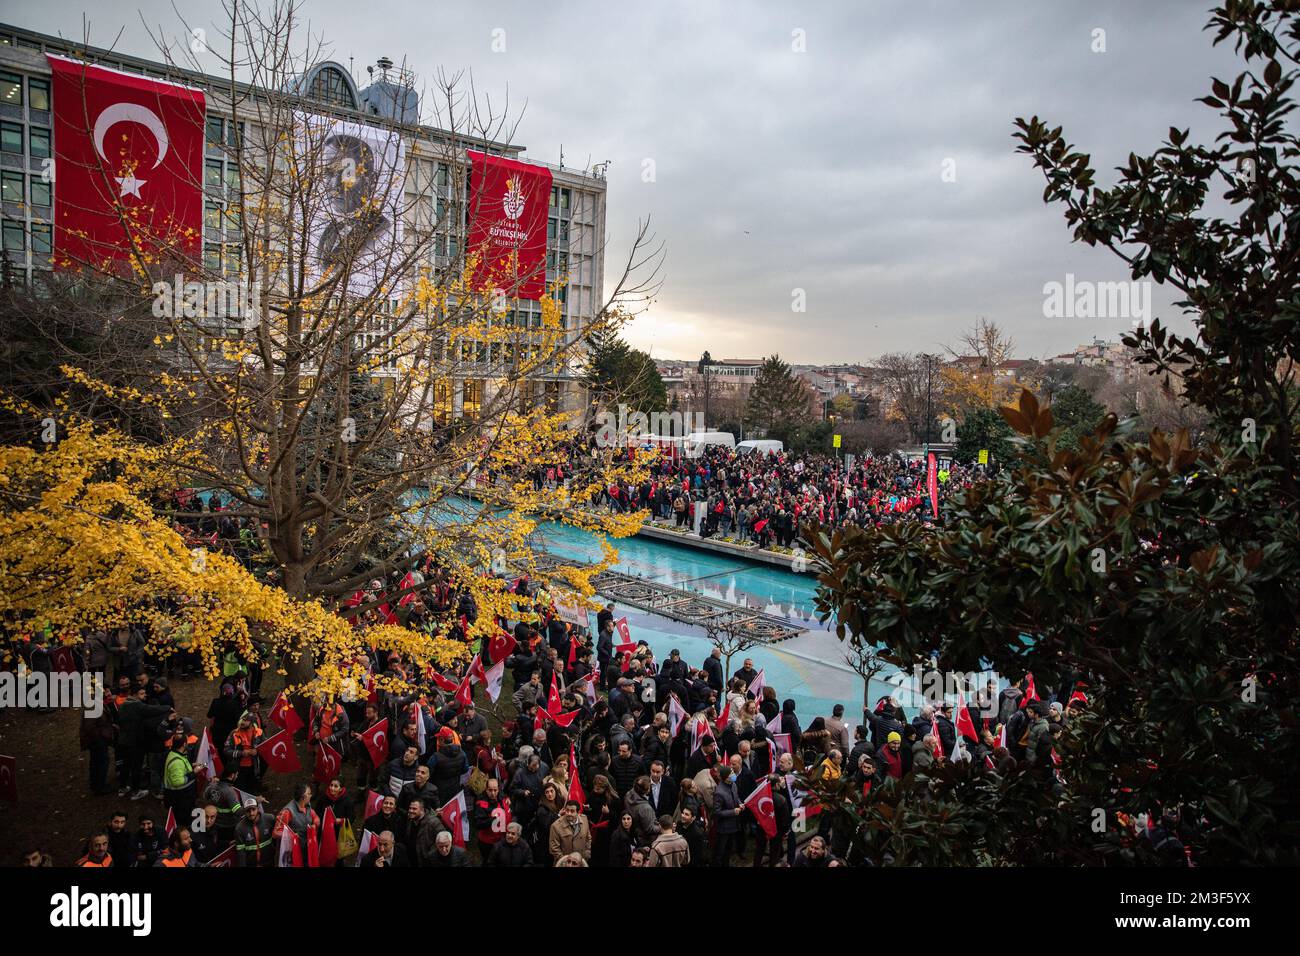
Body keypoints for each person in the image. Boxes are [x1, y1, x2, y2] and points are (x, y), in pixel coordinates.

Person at [712, 762, 746, 866]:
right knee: (720, 851)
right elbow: (717, 812)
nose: (733, 774)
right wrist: (732, 812)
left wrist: (740, 804)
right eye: (731, 773)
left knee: (729, 849)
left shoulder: (733, 785)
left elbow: (736, 797)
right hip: (723, 828)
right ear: (726, 777)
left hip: (734, 825)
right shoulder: (719, 792)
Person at [548, 799, 591, 864]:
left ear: (578, 812)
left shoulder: (584, 819)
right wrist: (566, 862)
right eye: (567, 810)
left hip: (581, 861)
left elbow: (588, 838)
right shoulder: (555, 826)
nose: (568, 813)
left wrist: (587, 853)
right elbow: (554, 849)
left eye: (572, 811)